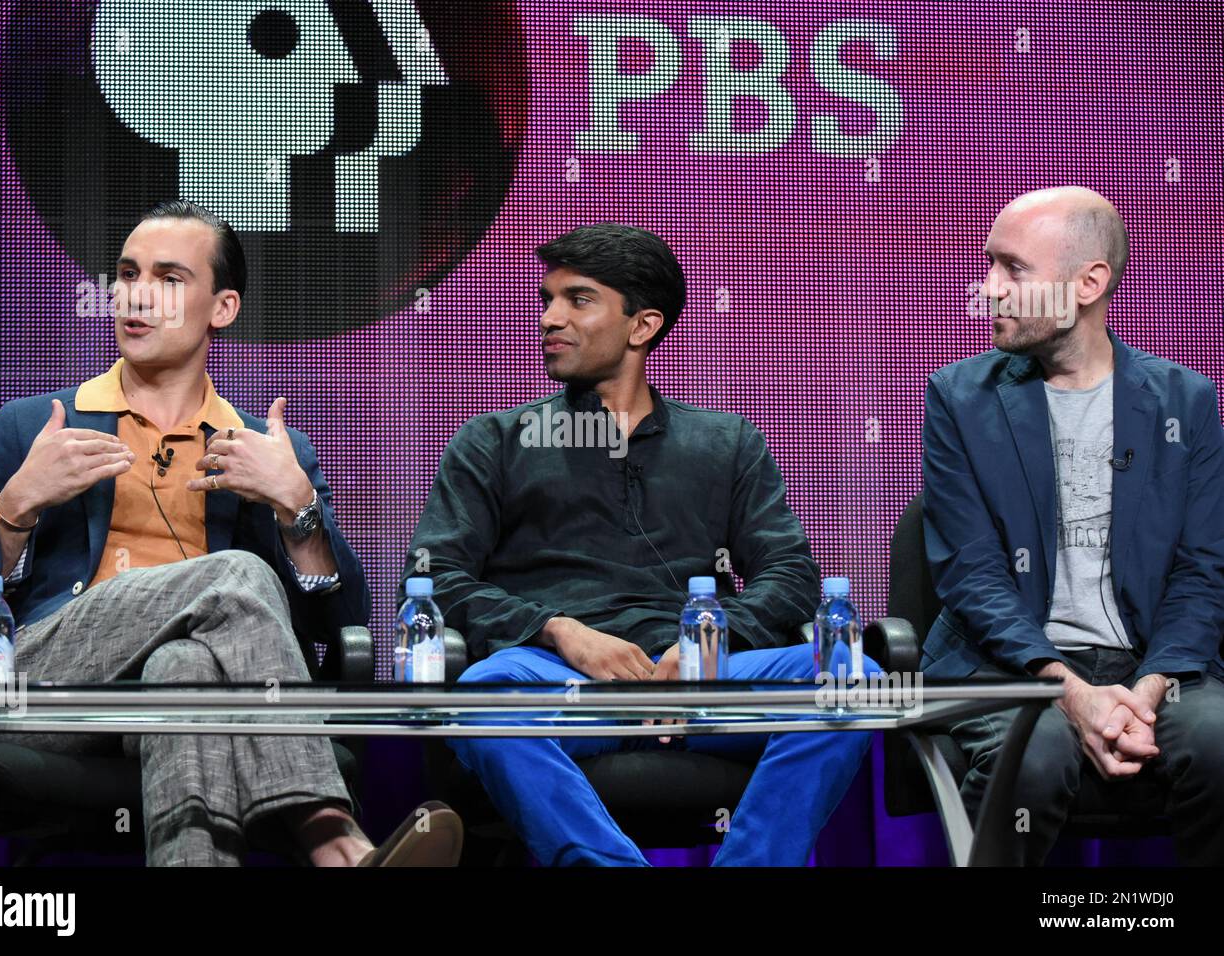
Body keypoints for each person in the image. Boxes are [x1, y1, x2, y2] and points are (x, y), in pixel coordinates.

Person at [0, 200, 461, 867]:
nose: (136, 295)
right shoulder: (38, 425)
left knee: (184, 668)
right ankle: (331, 836)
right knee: (237, 574)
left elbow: (345, 628)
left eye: (169, 279)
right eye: (127, 274)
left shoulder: (270, 449)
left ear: (223, 308)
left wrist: (298, 507)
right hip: (50, 688)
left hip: (186, 691)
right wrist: (17, 504)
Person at [404, 222, 878, 866]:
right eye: (546, 300)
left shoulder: (724, 444)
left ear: (642, 325)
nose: (548, 319)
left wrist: (705, 643)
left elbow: (789, 572)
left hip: (704, 682)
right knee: (488, 692)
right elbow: (440, 577)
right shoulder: (495, 443)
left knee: (853, 678)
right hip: (563, 682)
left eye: (577, 300)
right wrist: (559, 630)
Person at [921, 186, 1224, 865]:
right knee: (1033, 759)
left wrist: (1146, 693)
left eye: (1013, 269)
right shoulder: (958, 399)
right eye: (988, 265)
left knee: (1217, 746)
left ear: (1090, 283)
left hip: (1155, 664)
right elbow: (972, 573)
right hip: (1009, 664)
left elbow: (1203, 571)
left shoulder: (1186, 401)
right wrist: (1071, 691)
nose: (989, 289)